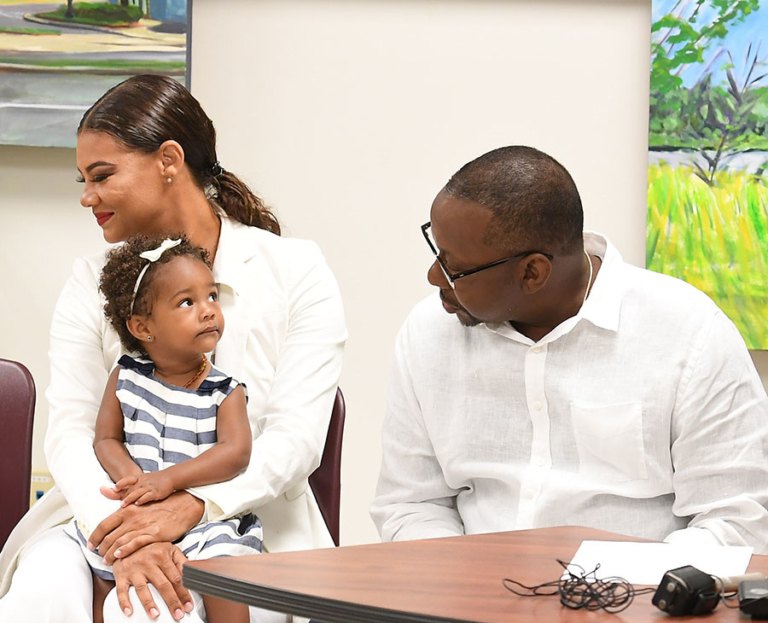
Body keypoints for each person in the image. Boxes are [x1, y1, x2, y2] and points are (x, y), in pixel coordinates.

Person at [0, 74, 346, 623]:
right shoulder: (89, 281)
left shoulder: (297, 270)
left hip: (251, 522)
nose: (86, 196)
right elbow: (71, 432)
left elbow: (296, 439)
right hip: (103, 513)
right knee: (40, 595)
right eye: (84, 180)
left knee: (157, 612)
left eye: (102, 175)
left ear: (168, 160)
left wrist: (195, 507)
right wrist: (127, 537)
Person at [370, 145, 768, 552]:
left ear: (532, 272)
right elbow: (412, 504)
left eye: (454, 269)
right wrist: (461, 579)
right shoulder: (428, 333)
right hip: (462, 585)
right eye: (437, 254)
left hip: (638, 589)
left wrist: (616, 583)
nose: (434, 276)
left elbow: (736, 521)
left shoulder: (690, 335)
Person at [70, 233, 258, 623]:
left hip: (203, 520)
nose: (208, 311)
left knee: (222, 572)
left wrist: (169, 480)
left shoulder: (225, 391)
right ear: (143, 327)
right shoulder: (126, 376)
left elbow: (236, 453)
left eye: (212, 296)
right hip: (139, 509)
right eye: (187, 302)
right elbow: (106, 438)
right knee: (105, 563)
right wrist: (133, 481)